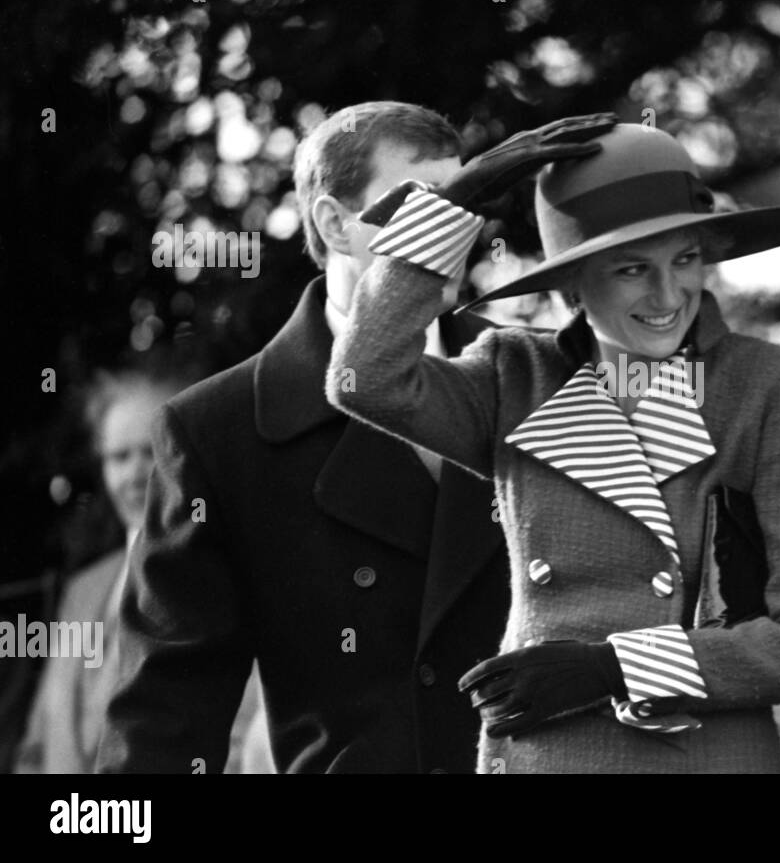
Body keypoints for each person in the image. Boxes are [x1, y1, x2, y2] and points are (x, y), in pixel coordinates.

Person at [326, 119, 780, 774]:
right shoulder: (513, 376)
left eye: (686, 260)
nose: (669, 297)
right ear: (572, 285)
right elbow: (365, 379)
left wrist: (611, 667)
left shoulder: (771, 388)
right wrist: (447, 210)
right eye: (634, 268)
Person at [97, 102, 511, 774]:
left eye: (464, 203)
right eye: (425, 205)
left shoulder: (530, 378)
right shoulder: (217, 431)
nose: (454, 229)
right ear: (334, 223)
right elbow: (167, 714)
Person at [18, 368, 271, 773]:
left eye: (150, 451)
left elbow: (243, 740)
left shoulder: (234, 577)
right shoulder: (83, 590)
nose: (135, 474)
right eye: (119, 457)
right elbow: (36, 745)